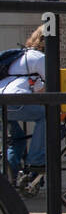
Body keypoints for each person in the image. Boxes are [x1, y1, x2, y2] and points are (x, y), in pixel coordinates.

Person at [2, 27, 48, 194]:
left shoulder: (19, 55)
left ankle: (10, 180)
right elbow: (54, 87)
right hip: (15, 101)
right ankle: (36, 162)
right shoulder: (40, 58)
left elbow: (36, 87)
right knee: (46, 116)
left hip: (2, 101)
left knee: (17, 139)